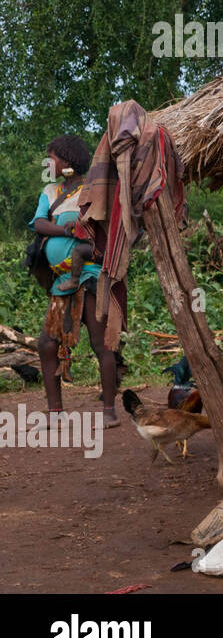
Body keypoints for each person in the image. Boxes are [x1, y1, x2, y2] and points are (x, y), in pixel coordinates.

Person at [30, 134, 120, 427]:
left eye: (52, 156)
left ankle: (109, 411)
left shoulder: (92, 190)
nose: (49, 162)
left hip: (90, 276)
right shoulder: (50, 190)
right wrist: (67, 232)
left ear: (67, 160)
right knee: (46, 344)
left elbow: (101, 225)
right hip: (61, 282)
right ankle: (55, 413)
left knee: (101, 343)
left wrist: (78, 229)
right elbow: (40, 224)